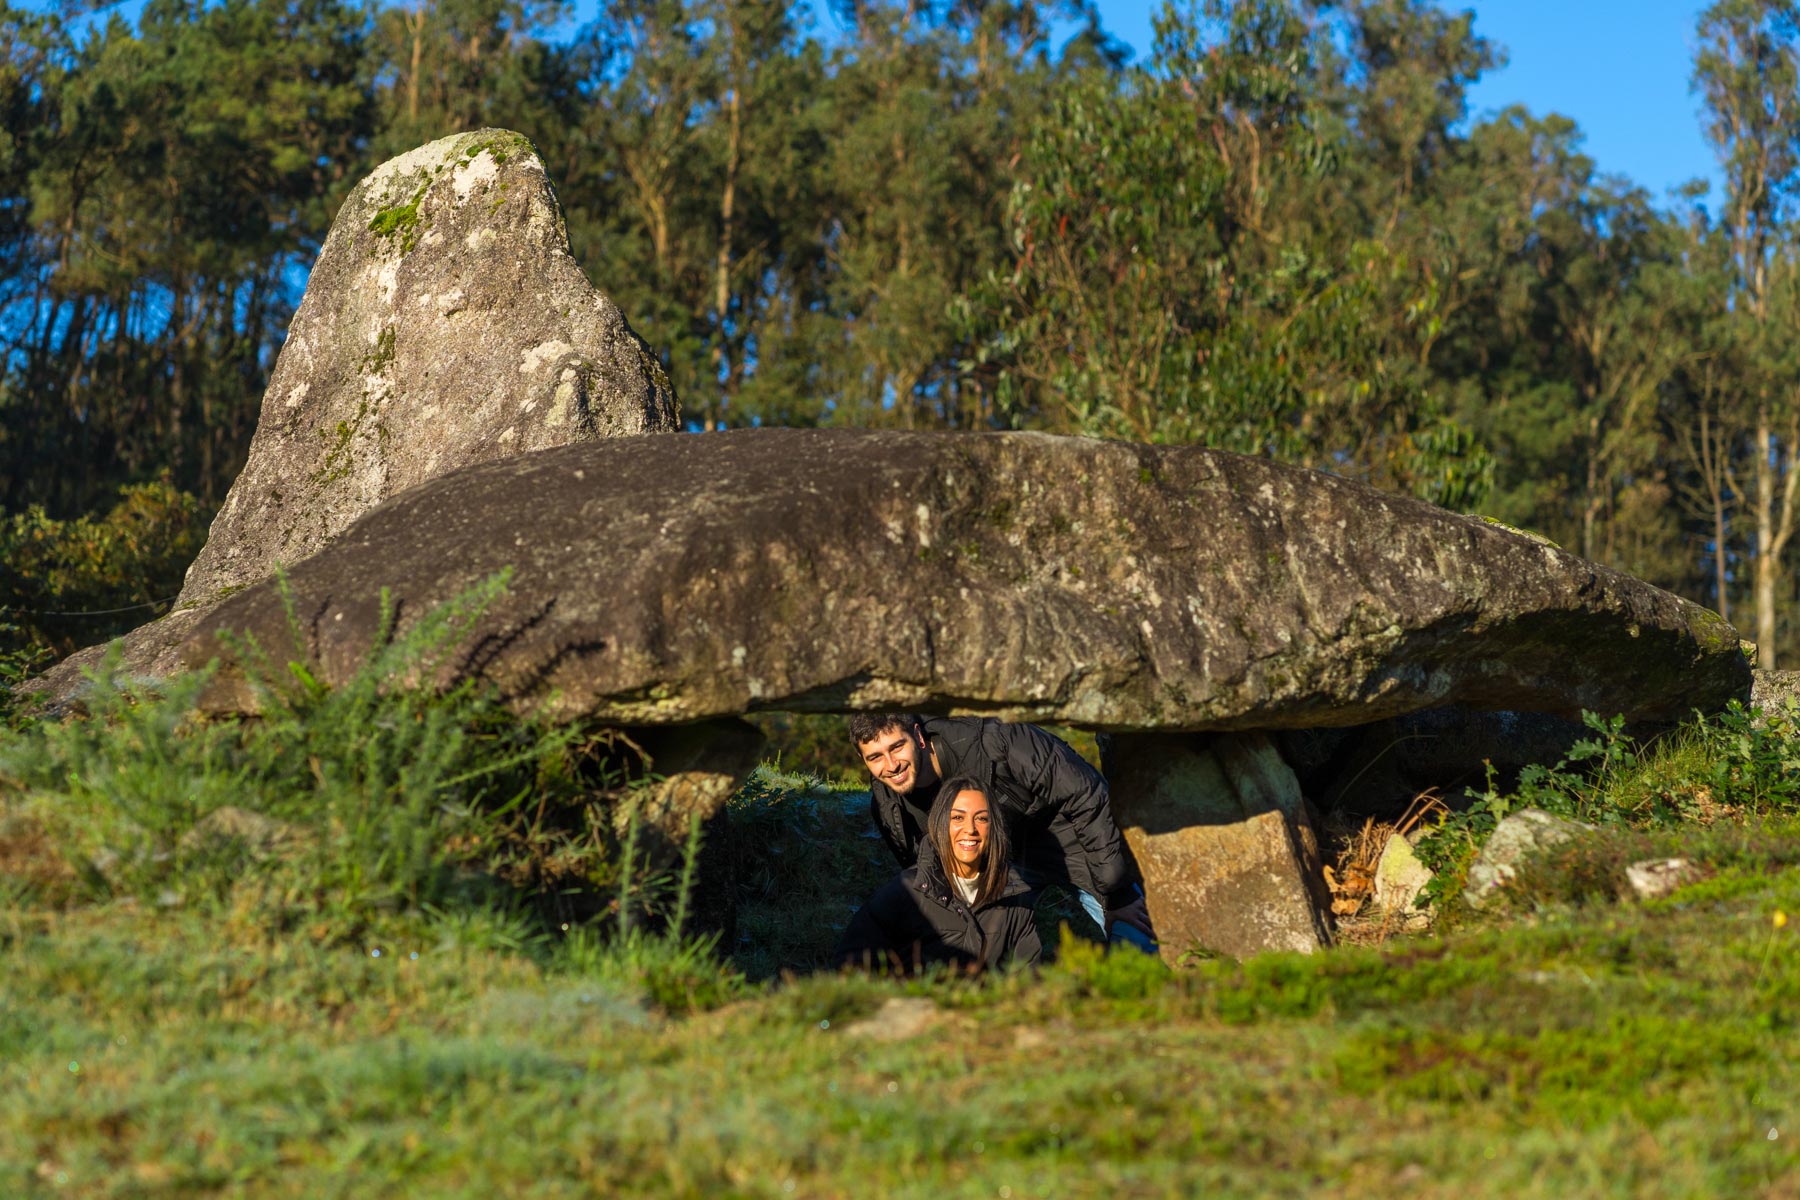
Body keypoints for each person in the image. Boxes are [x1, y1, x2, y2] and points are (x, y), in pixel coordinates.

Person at [848, 712, 1157, 951]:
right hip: (994, 861)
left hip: (1065, 835)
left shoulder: (995, 739)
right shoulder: (889, 805)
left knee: (1138, 932)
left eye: (896, 747)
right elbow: (925, 876)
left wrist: (1116, 893)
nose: (891, 765)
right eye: (875, 757)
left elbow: (1086, 794)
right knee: (965, 945)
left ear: (918, 735)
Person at [835, 777, 1042, 973]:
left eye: (981, 818)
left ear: (994, 827)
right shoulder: (904, 892)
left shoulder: (1016, 899)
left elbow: (1028, 982)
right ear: (941, 824)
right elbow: (849, 969)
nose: (970, 829)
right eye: (958, 817)